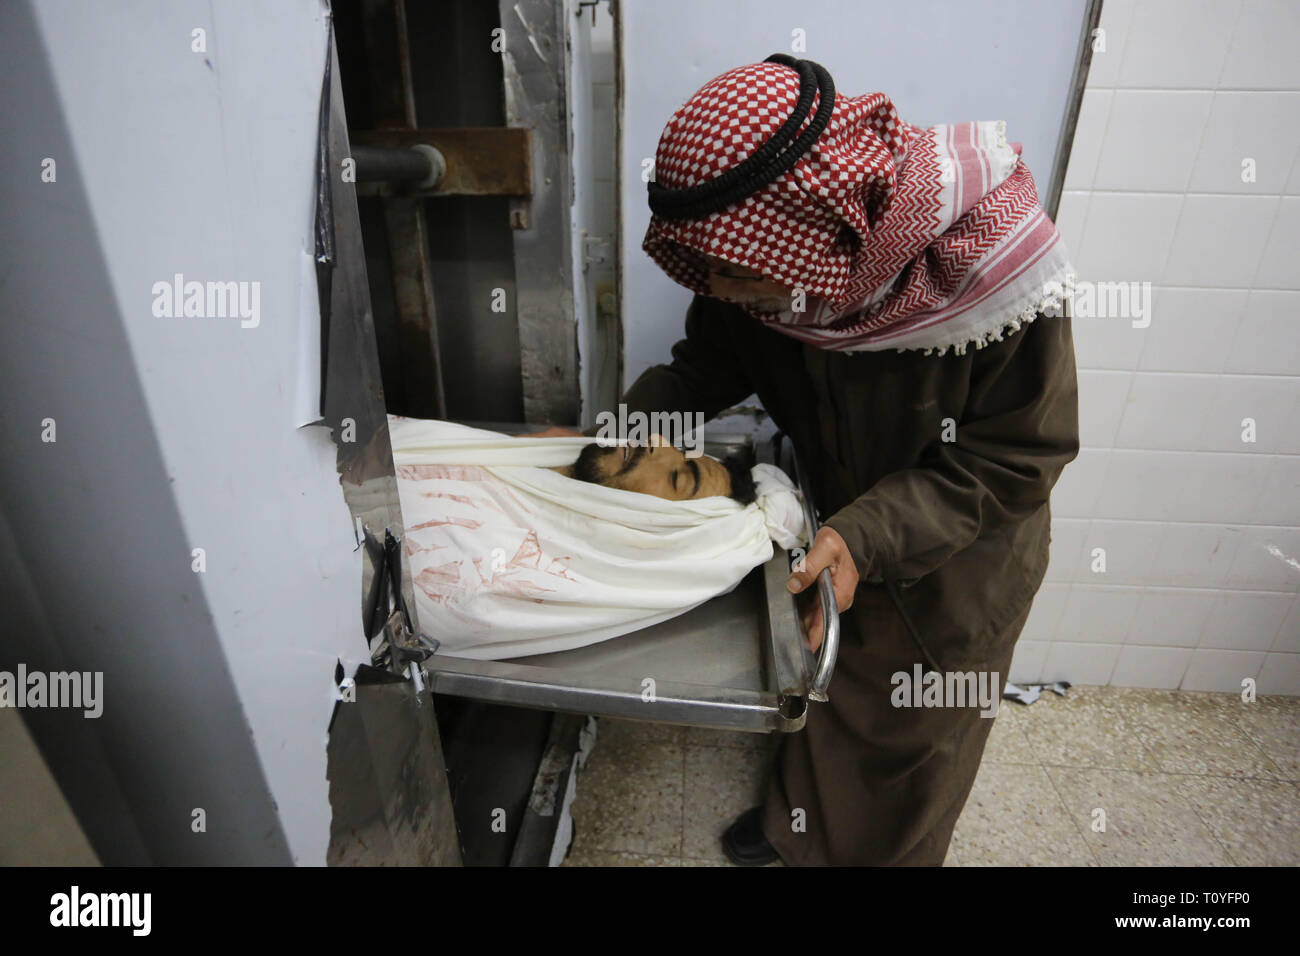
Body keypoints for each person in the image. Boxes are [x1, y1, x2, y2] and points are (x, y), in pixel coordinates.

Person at [537, 54, 1079, 866]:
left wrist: (869, 533)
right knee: (830, 675)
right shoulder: (769, 270)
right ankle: (803, 827)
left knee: (913, 728)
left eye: (734, 268)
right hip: (845, 513)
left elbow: (1016, 456)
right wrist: (610, 437)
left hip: (963, 550)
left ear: (821, 237)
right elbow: (702, 370)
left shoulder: (994, 277)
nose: (714, 282)